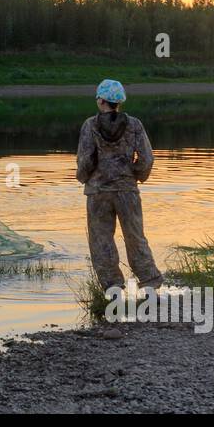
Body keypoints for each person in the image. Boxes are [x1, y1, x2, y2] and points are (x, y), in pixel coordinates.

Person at [75, 79, 162, 291]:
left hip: (98, 192)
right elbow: (147, 158)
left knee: (101, 240)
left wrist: (83, 177)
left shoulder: (90, 125)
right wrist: (137, 175)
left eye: (98, 98)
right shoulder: (135, 125)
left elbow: (85, 160)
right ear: (119, 101)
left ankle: (113, 288)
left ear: (102, 101)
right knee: (135, 237)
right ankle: (149, 283)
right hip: (127, 191)